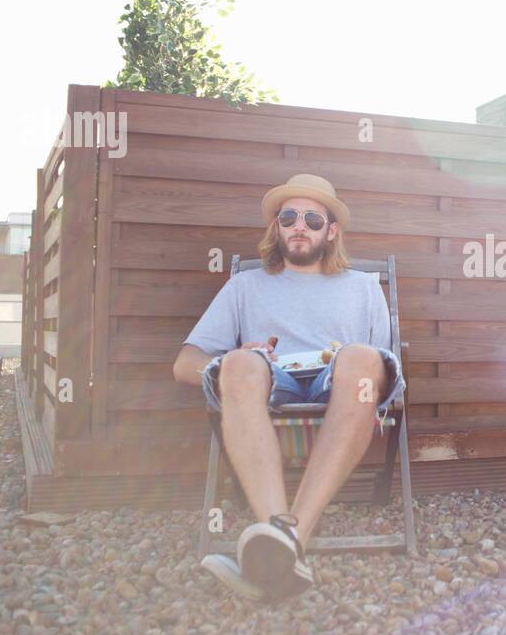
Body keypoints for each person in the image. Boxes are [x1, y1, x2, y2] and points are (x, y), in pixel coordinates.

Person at [172, 174, 405, 600]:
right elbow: (185, 365)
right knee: (240, 363)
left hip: (342, 387)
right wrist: (234, 361)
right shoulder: (244, 286)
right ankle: (287, 543)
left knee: (359, 357)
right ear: (277, 227)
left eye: (313, 219)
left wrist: (352, 359)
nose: (300, 225)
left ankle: (282, 542)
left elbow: (383, 373)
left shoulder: (363, 288)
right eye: (290, 217)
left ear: (331, 231)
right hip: (269, 386)